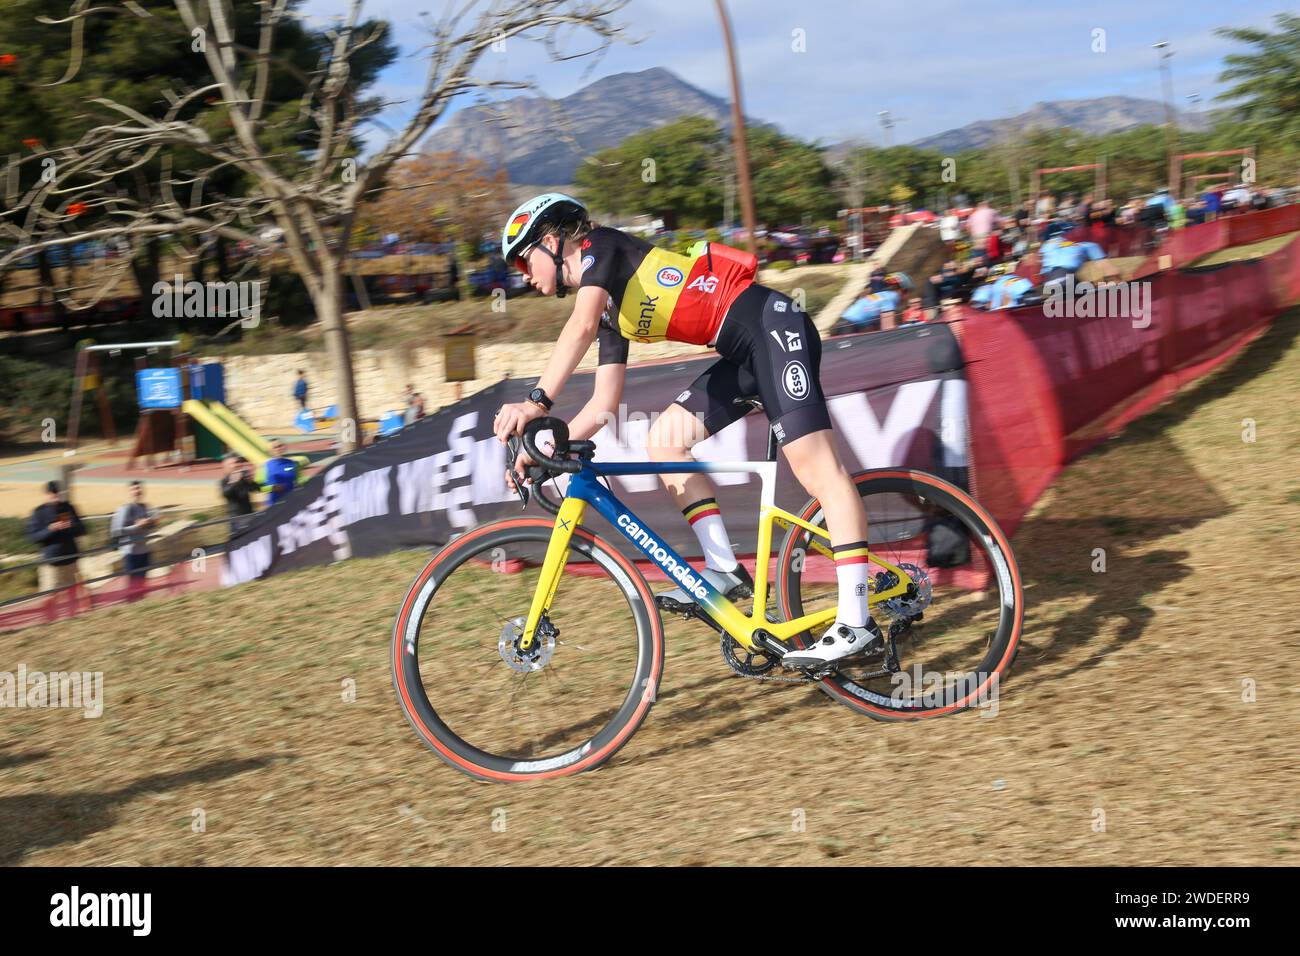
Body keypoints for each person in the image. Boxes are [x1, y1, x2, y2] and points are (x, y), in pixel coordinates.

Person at [493, 193, 883, 667]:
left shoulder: (603, 247)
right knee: (664, 441)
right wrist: (544, 449)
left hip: (774, 328)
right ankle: (722, 568)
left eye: (524, 260)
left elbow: (577, 327)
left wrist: (535, 404)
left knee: (819, 471)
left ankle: (856, 622)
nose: (524, 275)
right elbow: (602, 404)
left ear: (552, 242)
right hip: (743, 354)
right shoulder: (610, 311)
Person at [27, 480, 86, 616]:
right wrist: (50, 529)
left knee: (72, 594)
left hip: (70, 560)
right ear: (45, 495)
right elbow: (33, 537)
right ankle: (50, 620)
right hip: (51, 563)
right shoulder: (39, 512)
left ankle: (72, 617)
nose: (54, 495)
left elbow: (82, 529)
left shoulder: (68, 507)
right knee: (50, 596)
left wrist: (70, 525)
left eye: (56, 492)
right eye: (51, 493)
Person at [110, 479, 157, 598]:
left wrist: (152, 522)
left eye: (140, 488)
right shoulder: (124, 509)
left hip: (145, 552)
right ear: (129, 492)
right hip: (131, 554)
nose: (138, 491)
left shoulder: (146, 507)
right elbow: (116, 531)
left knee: (143, 585)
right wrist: (137, 526)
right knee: (133, 587)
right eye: (135, 488)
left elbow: (150, 527)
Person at [220, 454, 261, 534]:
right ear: (226, 466)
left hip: (249, 515)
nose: (236, 465)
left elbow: (257, 489)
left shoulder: (243, 478)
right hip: (236, 518)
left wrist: (251, 481)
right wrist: (234, 481)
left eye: (237, 462)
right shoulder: (224, 480)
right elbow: (226, 494)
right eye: (233, 463)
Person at [264, 440, 297, 506]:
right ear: (270, 450)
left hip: (291, 501)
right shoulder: (266, 465)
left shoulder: (292, 463)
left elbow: (298, 481)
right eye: (275, 447)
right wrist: (272, 488)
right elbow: (261, 488)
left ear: (284, 447)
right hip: (275, 504)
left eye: (280, 446)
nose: (278, 448)